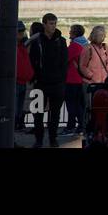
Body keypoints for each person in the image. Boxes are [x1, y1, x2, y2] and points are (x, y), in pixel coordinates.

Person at [28, 13, 67, 148]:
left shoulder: (61, 41)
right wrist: (36, 76)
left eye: (55, 23)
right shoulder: (37, 41)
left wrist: (61, 79)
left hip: (57, 84)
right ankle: (38, 139)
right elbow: (32, 60)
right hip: (40, 84)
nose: (53, 26)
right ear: (44, 24)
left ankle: (52, 138)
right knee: (38, 114)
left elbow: (64, 61)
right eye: (50, 23)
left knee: (55, 114)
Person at [64, 24, 87, 134]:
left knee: (71, 104)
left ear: (74, 33)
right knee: (80, 104)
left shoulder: (75, 46)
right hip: (82, 79)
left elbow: (64, 59)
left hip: (72, 79)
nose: (69, 33)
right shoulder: (86, 44)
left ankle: (71, 126)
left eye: (71, 31)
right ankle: (82, 125)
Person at [14, 24, 34, 136]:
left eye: (22, 31)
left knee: (19, 106)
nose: (21, 33)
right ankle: (16, 124)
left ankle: (18, 124)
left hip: (23, 80)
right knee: (16, 106)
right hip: (17, 81)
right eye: (19, 31)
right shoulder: (14, 46)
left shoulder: (22, 45)